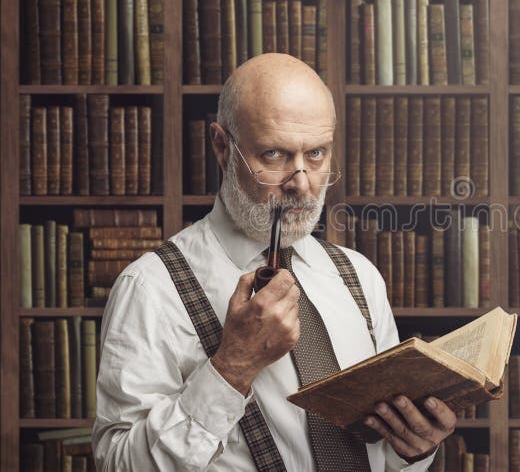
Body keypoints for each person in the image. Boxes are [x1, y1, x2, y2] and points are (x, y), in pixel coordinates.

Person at [92, 53, 456, 471]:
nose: (301, 183)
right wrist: (232, 366)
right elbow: (117, 465)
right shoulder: (150, 287)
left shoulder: (359, 276)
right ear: (222, 147)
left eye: (316, 154)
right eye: (274, 155)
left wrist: (414, 449)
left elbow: (387, 461)